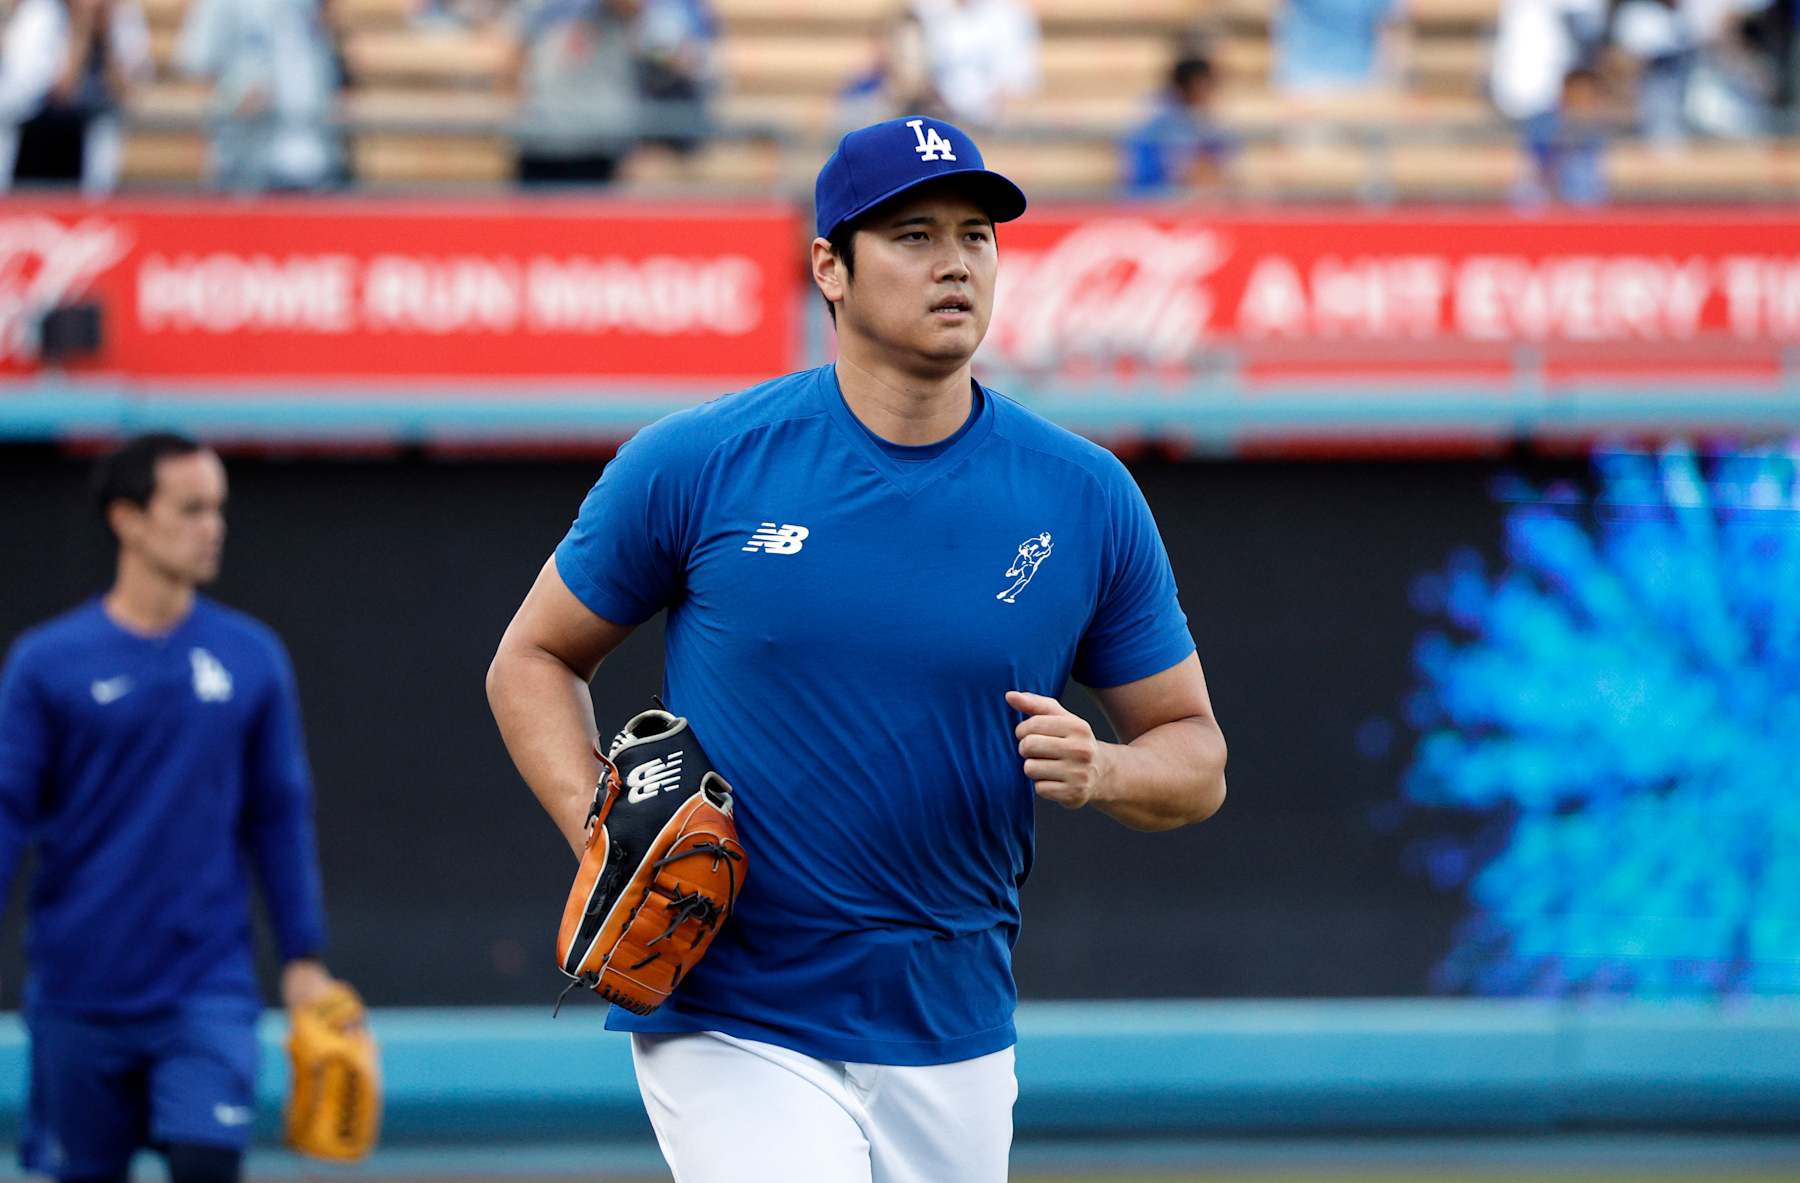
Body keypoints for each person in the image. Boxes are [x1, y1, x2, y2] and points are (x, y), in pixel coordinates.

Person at [486, 116, 1229, 1183]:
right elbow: (533, 657)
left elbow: (1196, 755)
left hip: (956, 1014)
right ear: (828, 267)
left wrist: (1108, 767)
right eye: (914, 236)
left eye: (976, 236)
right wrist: (600, 830)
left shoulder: (1084, 494)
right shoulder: (699, 461)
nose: (955, 263)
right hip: (737, 1006)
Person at [0, 433, 341, 1183]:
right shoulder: (46, 664)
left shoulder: (251, 659)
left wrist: (303, 956)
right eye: (190, 509)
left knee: (206, 1160)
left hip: (204, 985)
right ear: (127, 517)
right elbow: (6, 813)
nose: (212, 526)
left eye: (217, 507)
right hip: (77, 990)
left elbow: (278, 815)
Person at [176, 0, 348, 191]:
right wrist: (233, 96)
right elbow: (198, 75)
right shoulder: (221, 5)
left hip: (316, 165)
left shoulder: (306, 6)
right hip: (250, 167)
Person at [0, 0, 150, 193]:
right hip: (38, 139)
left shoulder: (121, 16)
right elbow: (59, 94)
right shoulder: (42, 14)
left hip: (96, 137)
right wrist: (81, 30)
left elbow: (127, 93)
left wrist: (106, 36)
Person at [1121, 52, 1237, 197]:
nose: (1213, 91)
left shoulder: (1210, 123)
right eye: (1210, 83)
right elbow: (1148, 175)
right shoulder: (1157, 124)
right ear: (1196, 84)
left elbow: (1223, 171)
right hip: (1156, 201)